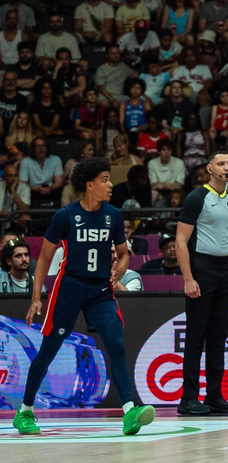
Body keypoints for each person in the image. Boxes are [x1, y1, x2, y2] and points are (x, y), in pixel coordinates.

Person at [12, 157, 156, 436]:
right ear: (90, 185)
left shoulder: (113, 215)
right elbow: (43, 258)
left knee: (115, 342)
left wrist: (119, 269)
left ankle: (129, 412)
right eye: (105, 179)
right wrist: (36, 298)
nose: (111, 184)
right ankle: (26, 411)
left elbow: (124, 253)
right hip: (70, 288)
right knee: (49, 349)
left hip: (101, 289)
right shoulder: (65, 215)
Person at [175, 151, 228, 417]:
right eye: (221, 163)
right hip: (201, 267)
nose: (226, 167)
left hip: (222, 271)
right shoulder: (197, 197)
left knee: (218, 337)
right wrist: (188, 278)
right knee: (196, 336)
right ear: (209, 168)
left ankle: (214, 395)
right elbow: (181, 240)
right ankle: (188, 398)